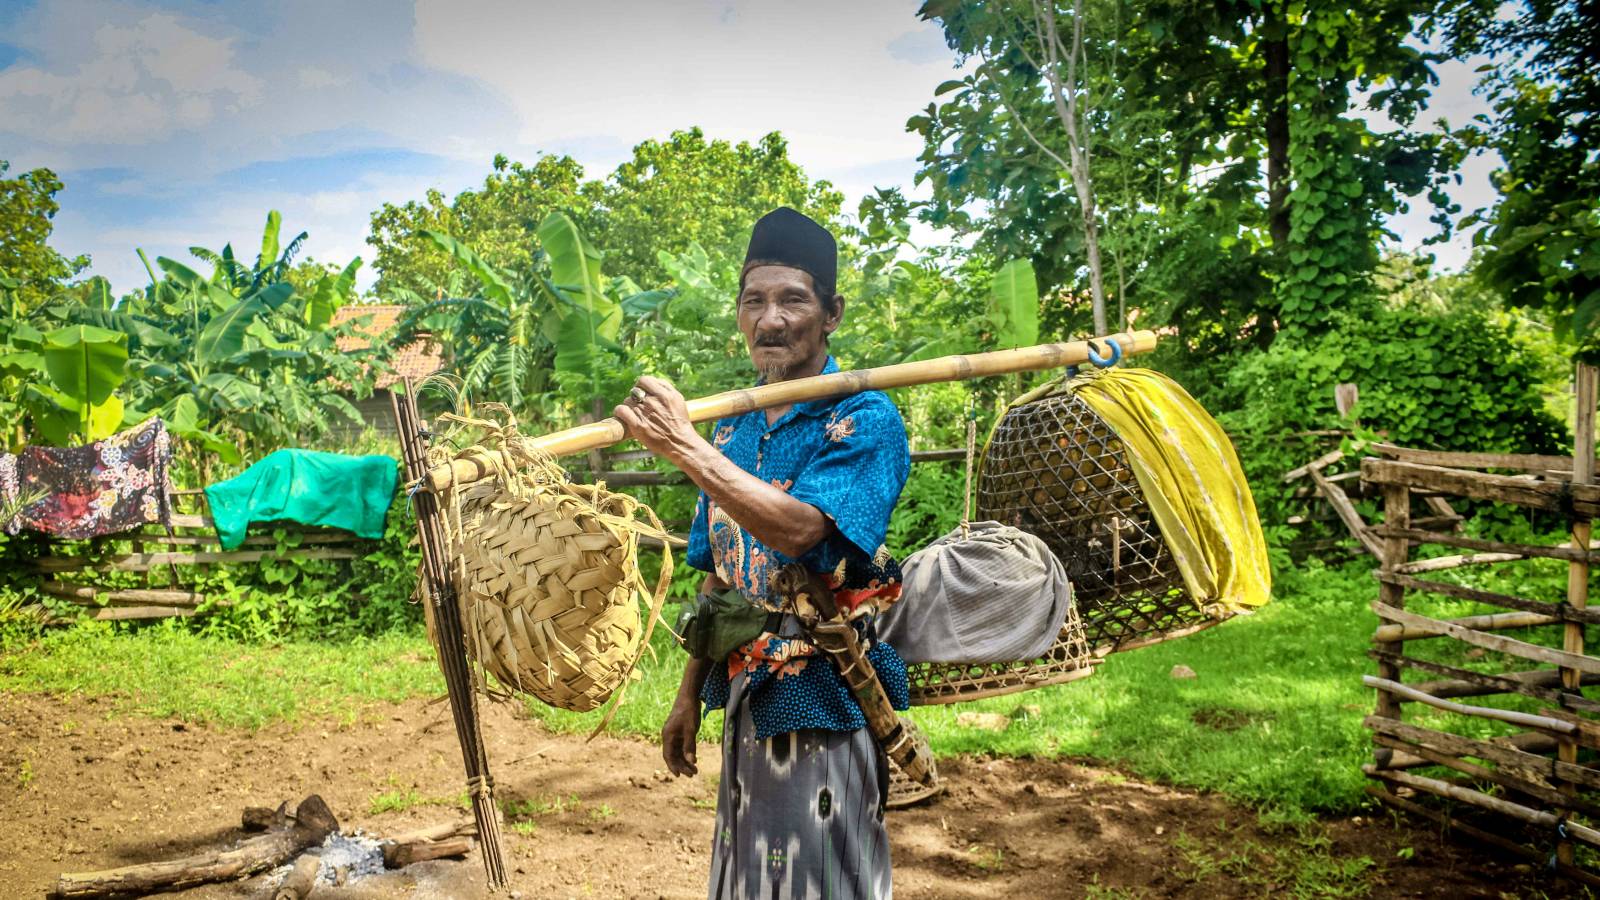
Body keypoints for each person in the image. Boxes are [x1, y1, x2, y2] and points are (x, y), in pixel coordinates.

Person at [613, 207, 911, 899]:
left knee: (825, 872)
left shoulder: (865, 417)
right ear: (739, 315)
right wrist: (687, 695)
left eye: (793, 300)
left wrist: (681, 446)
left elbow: (801, 530)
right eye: (755, 301)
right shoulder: (734, 425)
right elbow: (720, 578)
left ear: (831, 313)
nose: (771, 320)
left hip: (828, 688)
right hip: (748, 690)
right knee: (749, 871)